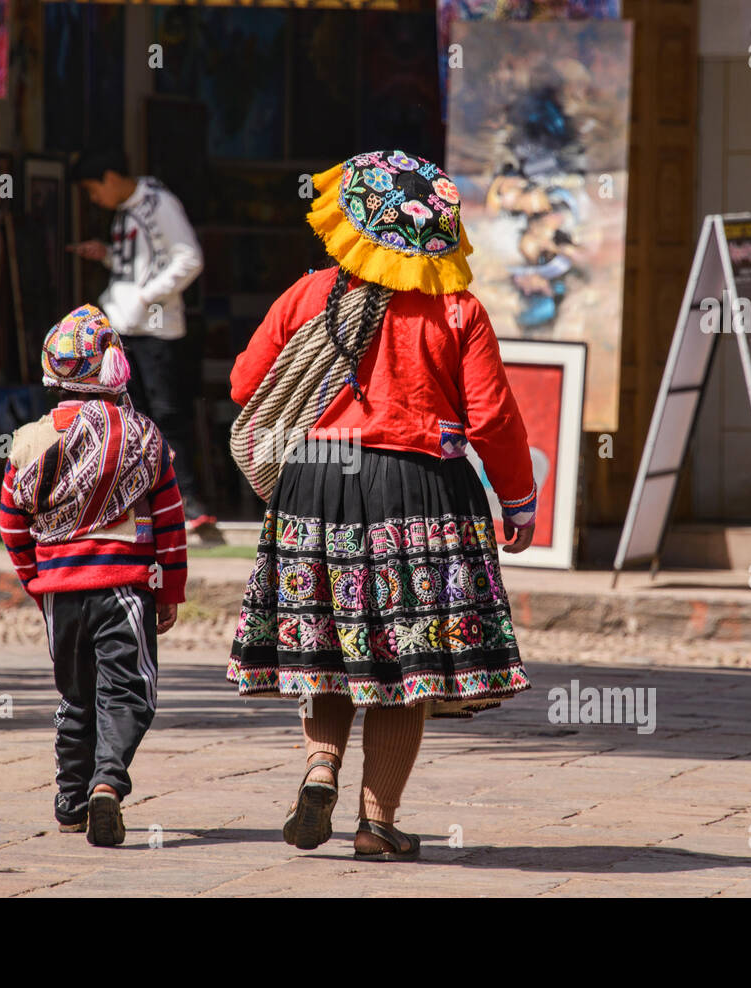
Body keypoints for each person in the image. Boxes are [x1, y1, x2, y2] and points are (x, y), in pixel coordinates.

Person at [226, 150, 538, 861]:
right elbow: (489, 418)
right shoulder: (458, 310)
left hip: (316, 483)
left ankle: (318, 768)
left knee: (330, 646)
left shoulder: (308, 295)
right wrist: (517, 500)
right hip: (419, 491)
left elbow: (248, 381)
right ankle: (377, 822)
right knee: (404, 666)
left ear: (356, 224)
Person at [0, 305, 187, 846]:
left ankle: (69, 799)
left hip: (62, 595)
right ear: (113, 367)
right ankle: (108, 783)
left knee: (75, 696)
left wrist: (37, 581)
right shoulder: (144, 437)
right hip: (125, 588)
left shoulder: (26, 441)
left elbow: (13, 525)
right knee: (128, 692)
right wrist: (169, 589)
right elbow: (171, 520)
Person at [67, 149, 214, 536]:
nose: (94, 199)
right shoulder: (127, 210)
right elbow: (140, 261)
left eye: (92, 190)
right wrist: (108, 258)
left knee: (166, 414)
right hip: (125, 327)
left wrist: (147, 296)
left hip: (156, 330)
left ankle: (187, 499)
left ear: (110, 177)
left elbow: (188, 259)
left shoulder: (156, 203)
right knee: (129, 416)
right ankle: (141, 501)